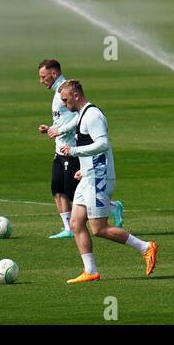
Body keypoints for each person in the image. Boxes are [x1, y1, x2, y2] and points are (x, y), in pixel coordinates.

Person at [56, 80, 157, 283]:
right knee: (76, 223)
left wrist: (74, 152)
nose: (64, 104)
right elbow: (91, 146)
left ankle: (146, 247)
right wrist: (83, 170)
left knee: (98, 228)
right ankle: (91, 271)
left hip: (99, 179)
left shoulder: (92, 115)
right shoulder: (81, 115)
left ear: (76, 96)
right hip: (89, 177)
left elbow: (102, 144)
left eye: (66, 100)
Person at [37, 58, 122, 238]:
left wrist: (60, 131)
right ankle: (68, 227)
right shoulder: (58, 93)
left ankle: (112, 208)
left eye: (43, 77)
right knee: (57, 188)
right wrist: (51, 129)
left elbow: (79, 118)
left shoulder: (66, 91)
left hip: (73, 148)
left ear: (54, 73)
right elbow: (62, 118)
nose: (41, 81)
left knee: (72, 191)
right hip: (60, 147)